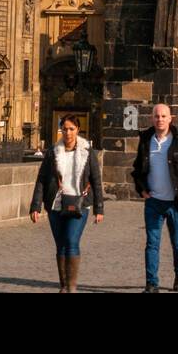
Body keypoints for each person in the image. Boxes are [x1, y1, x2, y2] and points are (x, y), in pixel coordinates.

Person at [131, 103, 178, 292]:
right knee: (152, 244)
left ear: (170, 118)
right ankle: (151, 283)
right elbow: (137, 168)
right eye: (156, 116)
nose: (160, 119)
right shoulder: (146, 140)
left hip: (176, 202)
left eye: (163, 116)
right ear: (151, 119)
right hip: (153, 202)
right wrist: (142, 190)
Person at [30, 115, 104, 291]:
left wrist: (99, 208)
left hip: (80, 204)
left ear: (78, 130)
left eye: (72, 129)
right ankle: (63, 286)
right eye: (65, 128)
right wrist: (36, 206)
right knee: (61, 244)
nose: (68, 132)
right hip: (56, 205)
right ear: (60, 130)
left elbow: (96, 180)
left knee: (71, 240)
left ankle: (71, 287)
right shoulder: (52, 152)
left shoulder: (87, 152)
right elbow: (41, 179)